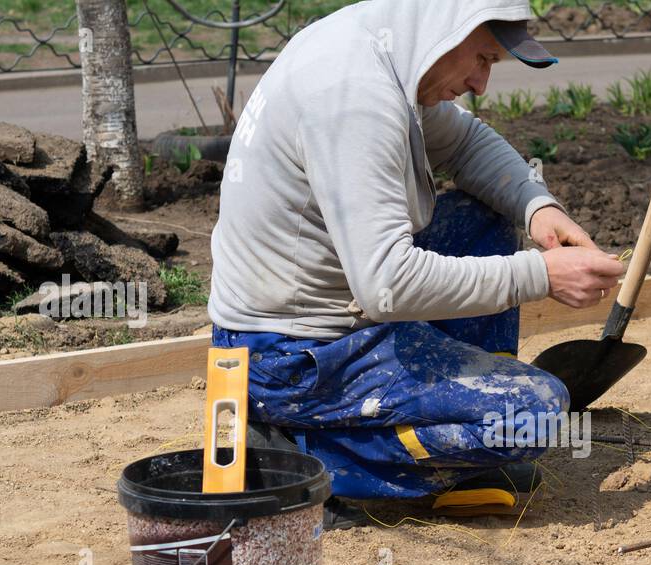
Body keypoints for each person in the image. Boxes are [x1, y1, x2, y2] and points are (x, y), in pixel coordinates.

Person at [207, 0, 625, 524]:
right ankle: (300, 456)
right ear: (447, 29)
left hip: (330, 313)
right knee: (533, 415)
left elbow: (467, 144)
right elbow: (388, 287)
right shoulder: (354, 97)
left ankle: (451, 438)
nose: (481, 84)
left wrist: (536, 206)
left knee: (485, 218)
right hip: (291, 356)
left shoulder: (388, 47)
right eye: (483, 59)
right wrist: (539, 274)